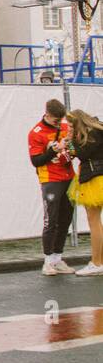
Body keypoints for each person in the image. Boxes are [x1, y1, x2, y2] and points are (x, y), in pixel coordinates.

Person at [29, 98, 75, 275]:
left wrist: (70, 146)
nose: (59, 124)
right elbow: (36, 161)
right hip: (50, 180)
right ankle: (47, 261)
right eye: (56, 120)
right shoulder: (36, 133)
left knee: (66, 219)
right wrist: (54, 150)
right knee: (51, 220)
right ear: (47, 115)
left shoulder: (64, 127)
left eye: (60, 120)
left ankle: (58, 258)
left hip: (68, 177)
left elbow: (71, 151)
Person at [65, 109, 103, 276]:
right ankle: (98, 261)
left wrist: (70, 140)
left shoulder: (91, 135)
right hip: (98, 177)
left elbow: (81, 154)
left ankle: (96, 263)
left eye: (71, 126)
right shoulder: (98, 129)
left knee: (94, 221)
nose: (70, 128)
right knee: (97, 222)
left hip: (95, 179)